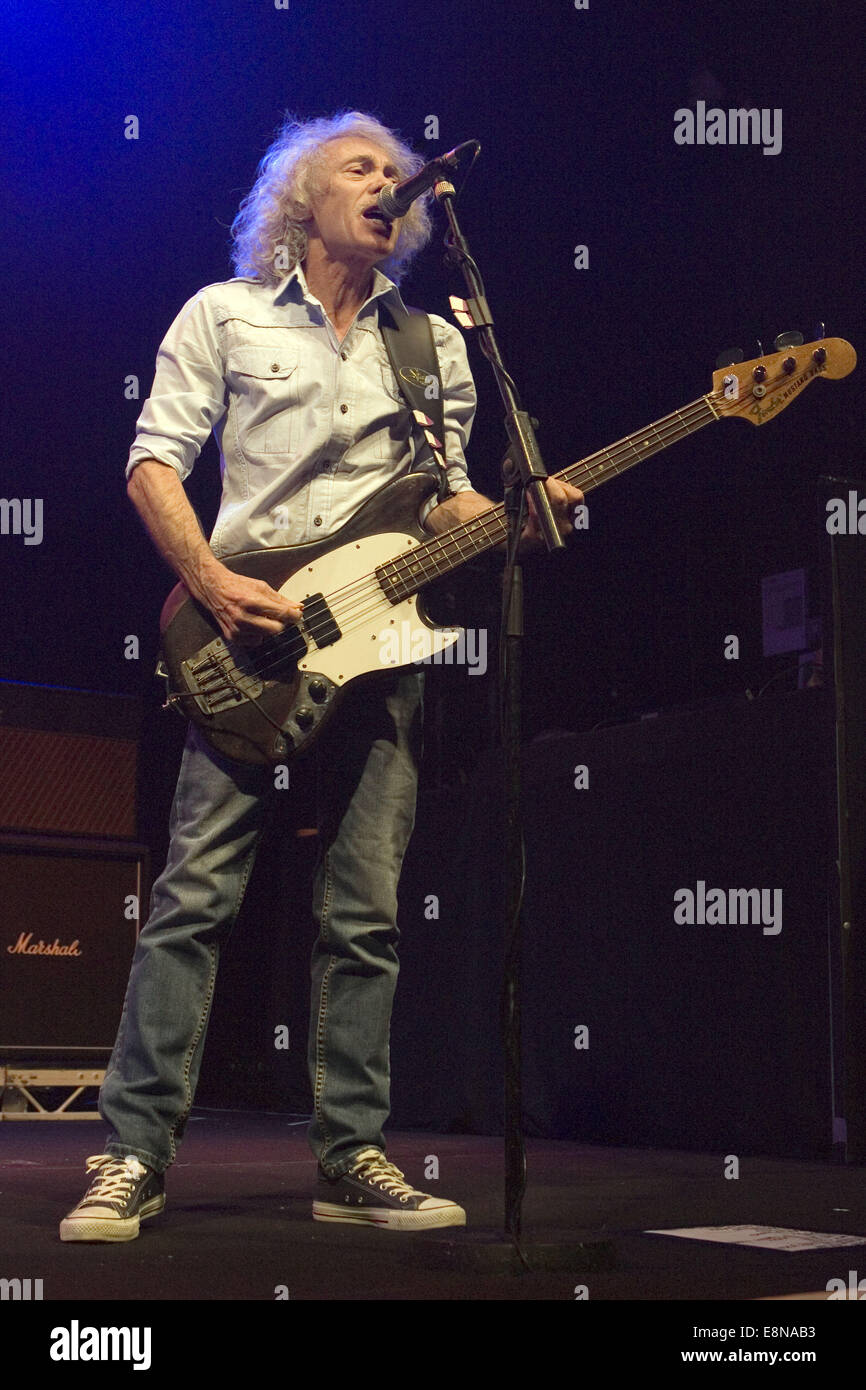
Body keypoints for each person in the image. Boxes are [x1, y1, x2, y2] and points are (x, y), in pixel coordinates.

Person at [60, 110, 582, 1242]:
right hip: (246, 638)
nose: (386, 182)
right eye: (359, 167)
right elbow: (154, 462)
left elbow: (444, 501)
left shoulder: (434, 342)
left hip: (383, 644)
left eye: (395, 172)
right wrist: (209, 580)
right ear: (301, 200)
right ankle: (132, 1155)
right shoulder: (226, 314)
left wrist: (521, 517)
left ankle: (350, 1156)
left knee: (365, 916)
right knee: (193, 902)